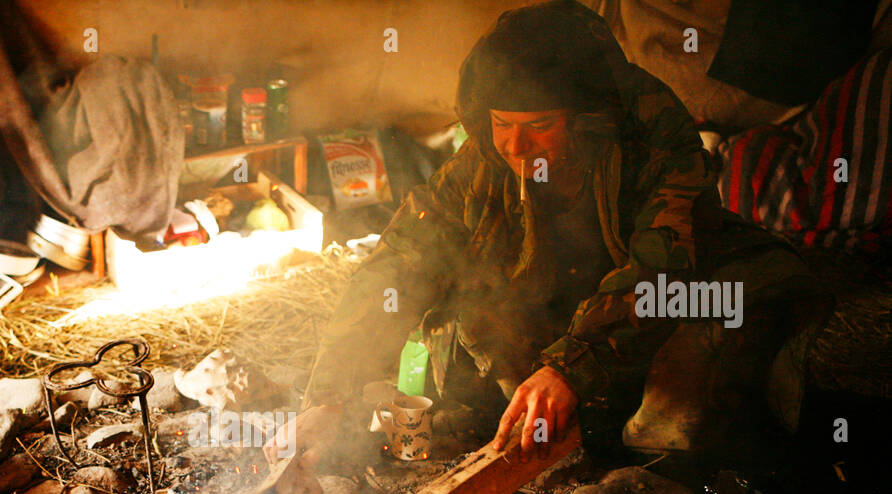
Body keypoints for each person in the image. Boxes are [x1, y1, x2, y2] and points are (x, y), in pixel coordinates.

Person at [301, 0, 831, 463]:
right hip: (571, 296)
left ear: (586, 120)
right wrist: (329, 393)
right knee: (480, 311)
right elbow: (401, 258)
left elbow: (662, 269)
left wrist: (570, 366)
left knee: (676, 409)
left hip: (674, 296)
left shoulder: (658, 141)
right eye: (502, 124)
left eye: (538, 127)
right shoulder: (485, 158)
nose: (515, 147)